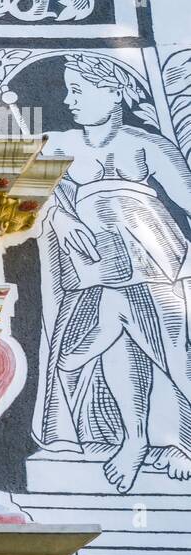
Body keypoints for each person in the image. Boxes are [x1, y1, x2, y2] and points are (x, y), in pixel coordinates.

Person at [34, 53, 191, 493]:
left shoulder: (146, 145)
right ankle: (133, 437)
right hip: (98, 265)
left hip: (155, 258)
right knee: (81, 355)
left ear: (114, 91)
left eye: (79, 90)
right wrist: (62, 220)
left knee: (172, 352)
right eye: (68, 90)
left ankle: (177, 441)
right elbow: (30, 193)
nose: (69, 100)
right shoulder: (58, 143)